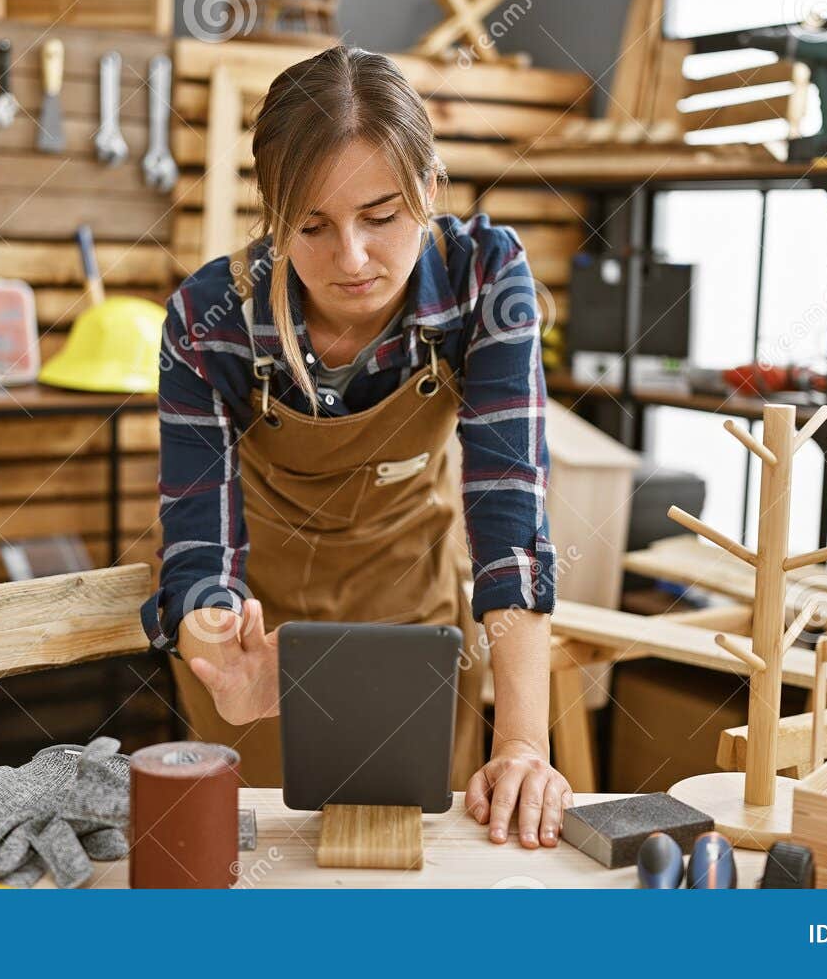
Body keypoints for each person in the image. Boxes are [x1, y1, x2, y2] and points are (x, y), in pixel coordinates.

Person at [141, 45, 571, 849]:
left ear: (430, 190)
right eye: (311, 226)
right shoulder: (212, 319)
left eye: (381, 217)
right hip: (260, 642)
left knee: (403, 871)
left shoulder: (486, 280)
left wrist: (521, 745)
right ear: (273, 216)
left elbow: (509, 526)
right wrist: (219, 657)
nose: (352, 259)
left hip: (416, 628)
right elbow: (200, 550)